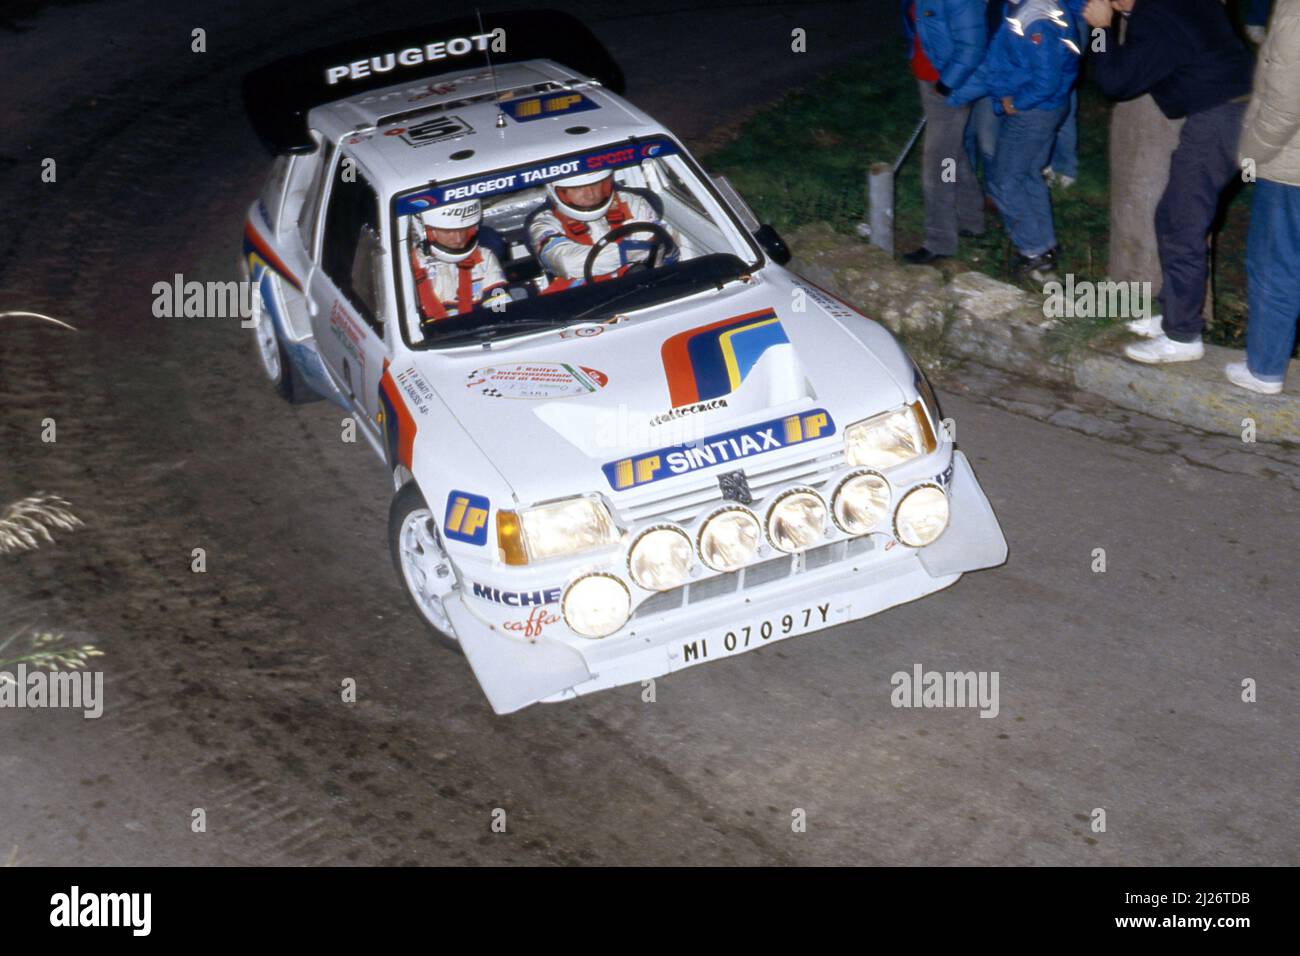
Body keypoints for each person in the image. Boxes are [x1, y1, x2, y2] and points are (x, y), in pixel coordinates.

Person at [1085, 0, 1254, 364]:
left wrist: (1101, 30)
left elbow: (1115, 82)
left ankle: (1182, 337)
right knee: (1174, 217)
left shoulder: (1156, 17)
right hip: (1236, 109)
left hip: (1221, 118)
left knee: (1181, 223)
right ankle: (1176, 316)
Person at [948, 0, 1083, 283]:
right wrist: (954, 96)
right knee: (1026, 175)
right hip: (1042, 108)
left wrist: (1017, 103)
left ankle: (1033, 253)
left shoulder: (1035, 17)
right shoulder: (1020, 9)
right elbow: (996, 65)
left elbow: (1047, 79)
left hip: (1034, 112)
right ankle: (1044, 246)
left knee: (1003, 181)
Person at [1228, 0, 1298, 394]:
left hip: (1291, 169)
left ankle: (1265, 368)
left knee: (1275, 264)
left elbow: (1285, 106)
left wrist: (1248, 152)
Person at [899, 0, 989, 265]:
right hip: (929, 79)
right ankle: (972, 220)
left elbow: (972, 46)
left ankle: (940, 241)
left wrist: (946, 84)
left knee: (937, 165)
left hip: (950, 87)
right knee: (954, 155)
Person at [528, 169, 679, 288]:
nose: (591, 195)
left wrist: (643, 251)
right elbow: (567, 263)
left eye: (597, 184)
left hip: (642, 288)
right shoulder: (544, 223)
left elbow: (660, 248)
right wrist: (627, 252)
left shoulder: (632, 202)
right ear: (555, 191)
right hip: (585, 304)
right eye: (578, 188)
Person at [409, 198, 509, 322]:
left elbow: (500, 308)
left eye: (464, 229)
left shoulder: (483, 257)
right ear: (427, 231)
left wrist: (500, 321)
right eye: (448, 231)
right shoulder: (407, 268)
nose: (458, 238)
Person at [1044, 0, 1090, 188]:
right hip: (1043, 19)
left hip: (1071, 20)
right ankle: (1050, 161)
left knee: (1063, 96)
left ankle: (1065, 166)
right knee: (1048, 94)